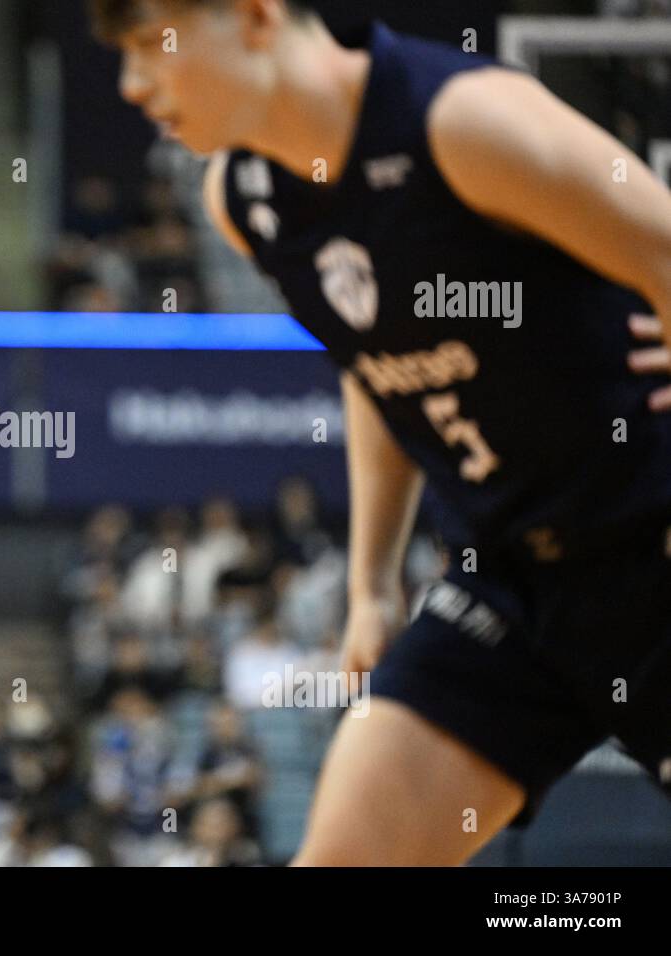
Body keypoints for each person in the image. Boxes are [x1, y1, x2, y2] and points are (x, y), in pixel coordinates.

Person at [93, 0, 671, 864]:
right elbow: (374, 366)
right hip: (507, 581)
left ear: (254, 16)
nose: (133, 86)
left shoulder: (465, 122)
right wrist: (370, 583)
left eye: (149, 48)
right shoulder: (244, 199)